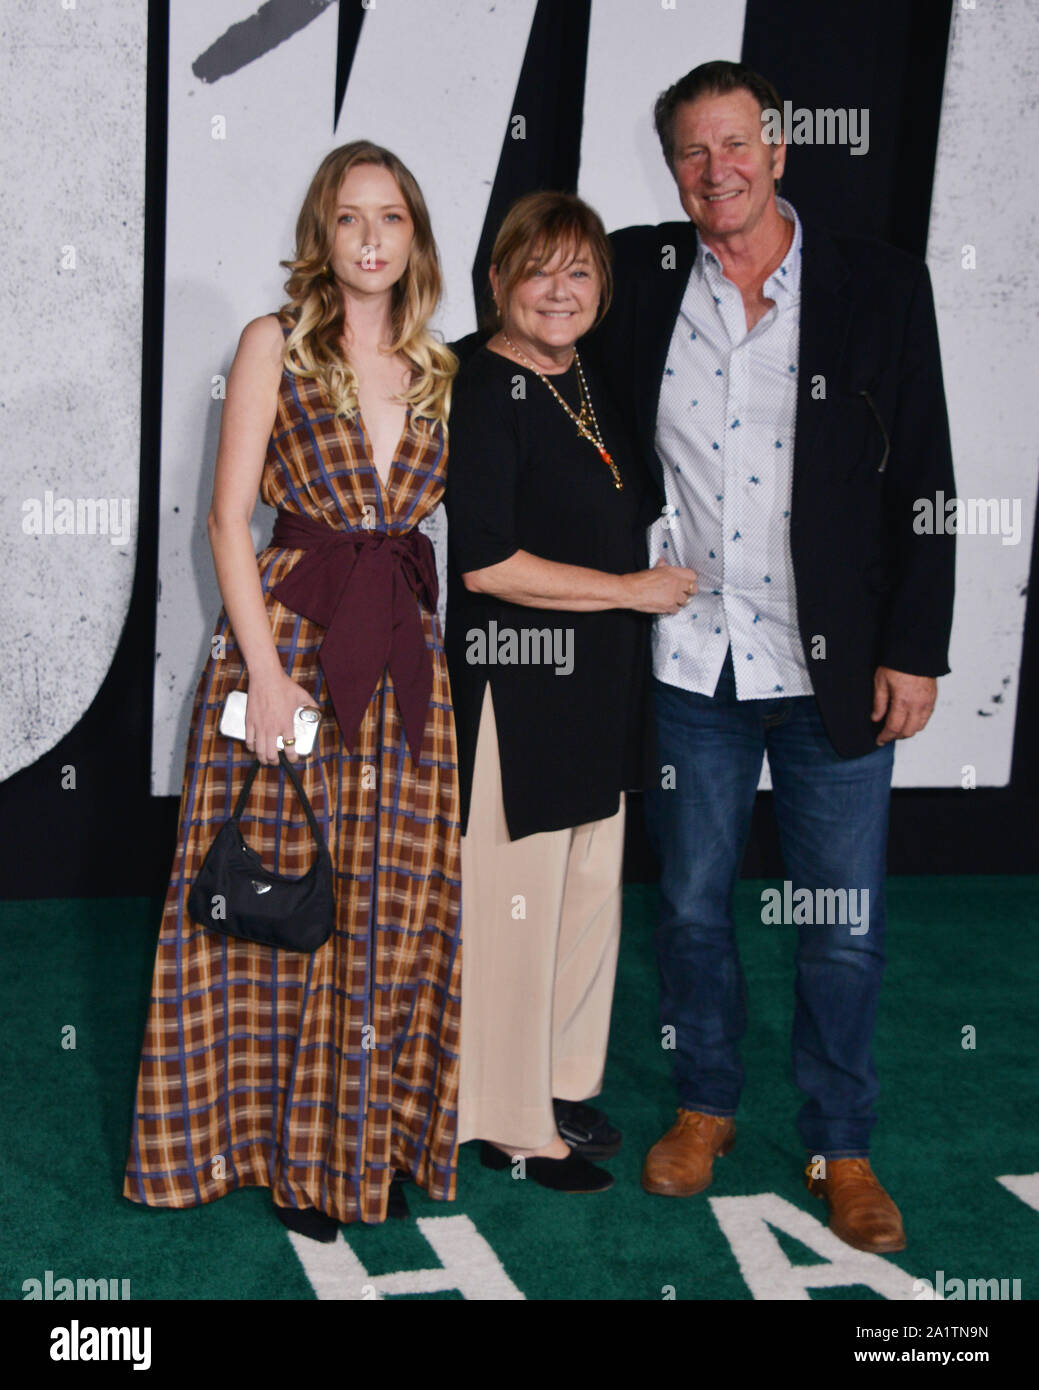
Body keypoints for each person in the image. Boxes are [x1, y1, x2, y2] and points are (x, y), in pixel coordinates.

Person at [586, 61, 955, 1251]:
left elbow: (926, 477)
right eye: (692, 152)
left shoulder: (876, 289)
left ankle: (839, 1143)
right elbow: (534, 328)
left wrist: (915, 646)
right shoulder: (644, 279)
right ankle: (704, 1106)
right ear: (672, 170)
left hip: (834, 670)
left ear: (778, 148)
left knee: (841, 920)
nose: (716, 170)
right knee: (692, 907)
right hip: (693, 660)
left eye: (734, 144)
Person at [123, 141, 462, 1239]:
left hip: (405, 662)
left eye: (391, 218)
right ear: (323, 233)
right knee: (272, 899)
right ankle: (271, 1153)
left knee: (387, 910)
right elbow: (229, 518)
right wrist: (264, 682)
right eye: (350, 217)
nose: (371, 238)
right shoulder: (274, 341)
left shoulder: (439, 366)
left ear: (414, 236)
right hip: (289, 645)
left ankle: (358, 1143)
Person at [445, 192, 697, 1193]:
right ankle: (505, 1120)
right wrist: (631, 592)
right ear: (497, 279)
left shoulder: (587, 372)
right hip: (519, 681)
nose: (559, 290)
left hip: (601, 686)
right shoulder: (477, 378)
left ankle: (553, 1079)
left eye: (580, 271)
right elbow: (485, 563)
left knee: (587, 894)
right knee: (514, 906)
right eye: (537, 269)